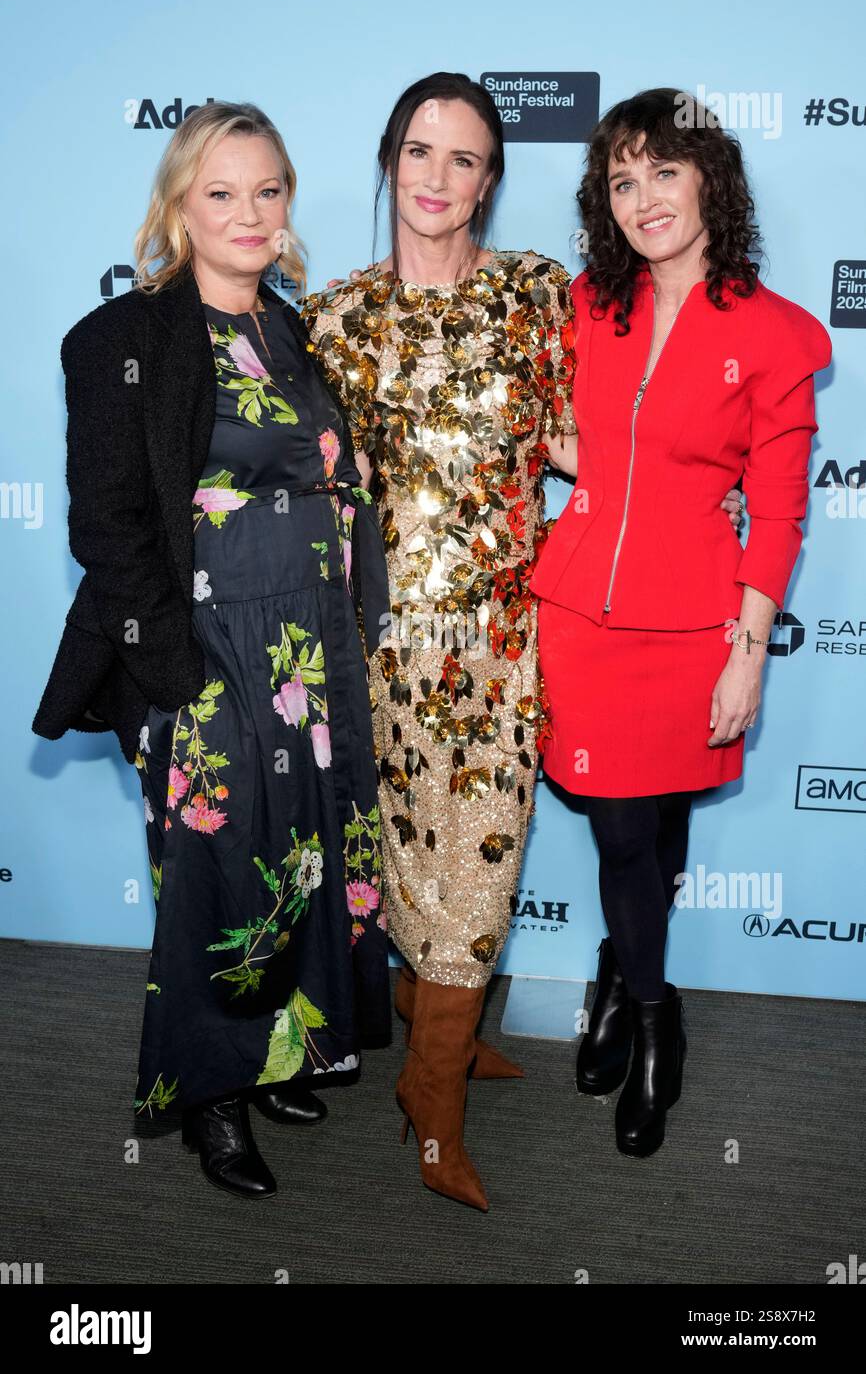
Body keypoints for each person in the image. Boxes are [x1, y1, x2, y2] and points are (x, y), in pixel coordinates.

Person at [301, 73, 745, 1207]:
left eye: (463, 159)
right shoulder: (335, 319)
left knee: (483, 863)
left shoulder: (537, 297)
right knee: (407, 866)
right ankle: (436, 1033)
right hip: (382, 641)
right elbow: (304, 487)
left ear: (490, 180)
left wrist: (698, 499)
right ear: (390, 161)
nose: (436, 179)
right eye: (418, 152)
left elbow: (588, 439)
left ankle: (431, 1098)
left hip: (504, 637)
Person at [32, 101, 392, 1200]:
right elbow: (110, 524)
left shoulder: (295, 330)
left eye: (267, 190)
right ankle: (209, 1099)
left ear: (288, 206)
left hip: (307, 650)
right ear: (179, 206)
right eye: (220, 193)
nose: (247, 213)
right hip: (204, 648)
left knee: (301, 857)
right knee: (215, 871)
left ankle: (280, 1047)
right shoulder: (123, 338)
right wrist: (169, 675)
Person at [529, 88, 832, 1158]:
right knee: (619, 824)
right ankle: (654, 1006)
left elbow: (781, 508)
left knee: (657, 822)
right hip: (579, 611)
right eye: (620, 179)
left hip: (696, 621)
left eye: (663, 169)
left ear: (710, 177)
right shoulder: (581, 306)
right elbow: (571, 442)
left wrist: (746, 655)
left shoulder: (775, 332)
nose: (642, 197)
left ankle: (630, 982)